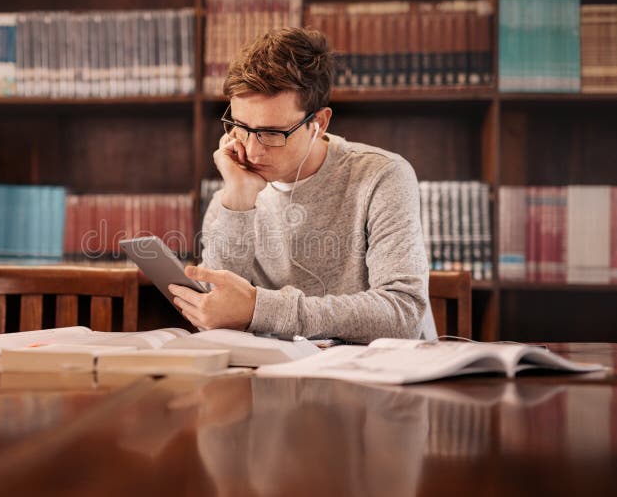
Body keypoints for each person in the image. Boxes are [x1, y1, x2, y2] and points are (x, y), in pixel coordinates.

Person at [168, 27, 436, 341]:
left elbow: (403, 314)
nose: (252, 150)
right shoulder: (232, 195)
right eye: (240, 127)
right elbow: (214, 316)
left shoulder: (382, 176)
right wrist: (238, 200)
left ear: (318, 123)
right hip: (277, 368)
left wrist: (259, 308)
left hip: (373, 368)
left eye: (271, 133)